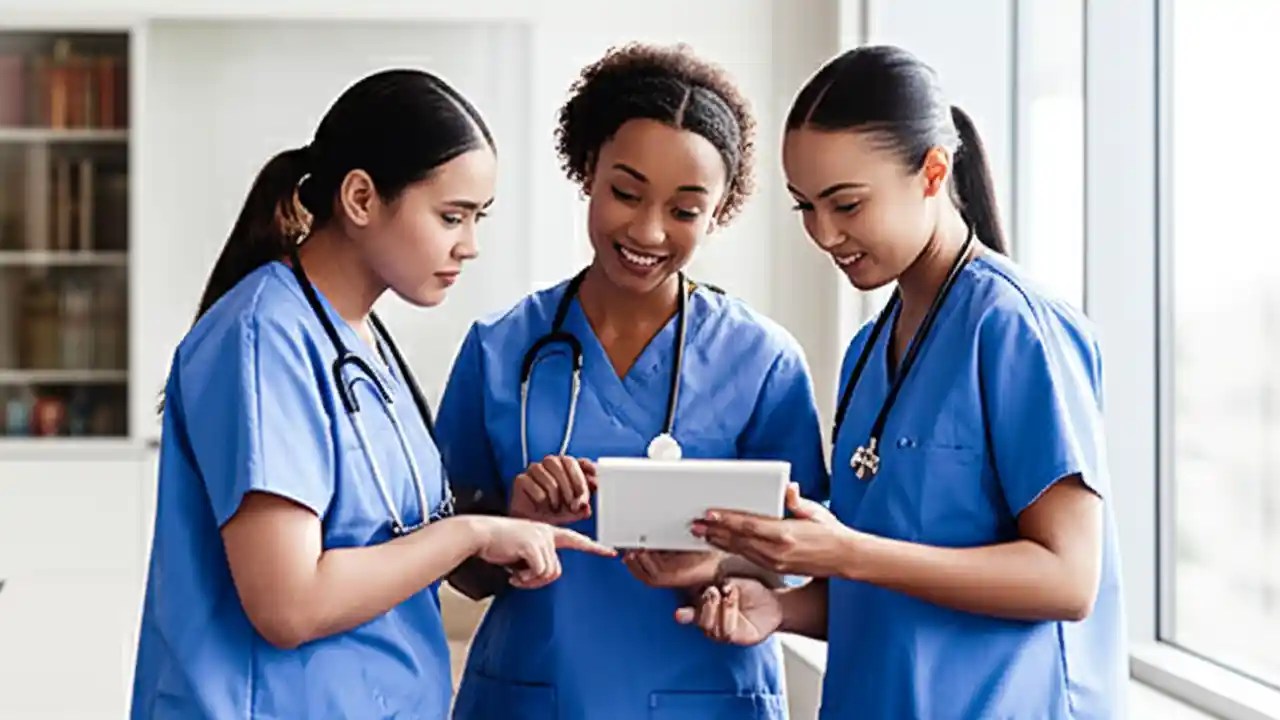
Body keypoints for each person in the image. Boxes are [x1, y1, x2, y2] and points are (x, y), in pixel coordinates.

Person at [129, 69, 614, 720]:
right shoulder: (265, 336)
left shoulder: (361, 340)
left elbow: (394, 542)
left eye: (478, 218)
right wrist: (471, 532)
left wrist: (505, 529)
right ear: (360, 198)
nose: (469, 246)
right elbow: (289, 604)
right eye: (451, 216)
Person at [677, 45, 1127, 720]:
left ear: (933, 172)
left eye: (847, 204)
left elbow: (1067, 579)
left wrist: (848, 553)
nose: (825, 234)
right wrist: (782, 608)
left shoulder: (1015, 328)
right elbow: (891, 590)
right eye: (805, 207)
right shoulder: (869, 351)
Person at [435, 43, 829, 719]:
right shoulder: (500, 349)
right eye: (625, 192)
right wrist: (513, 524)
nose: (647, 230)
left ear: (719, 211)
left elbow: (801, 562)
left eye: (684, 210)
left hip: (705, 698)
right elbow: (455, 568)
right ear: (588, 168)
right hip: (536, 694)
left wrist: (709, 566)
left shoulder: (763, 361)